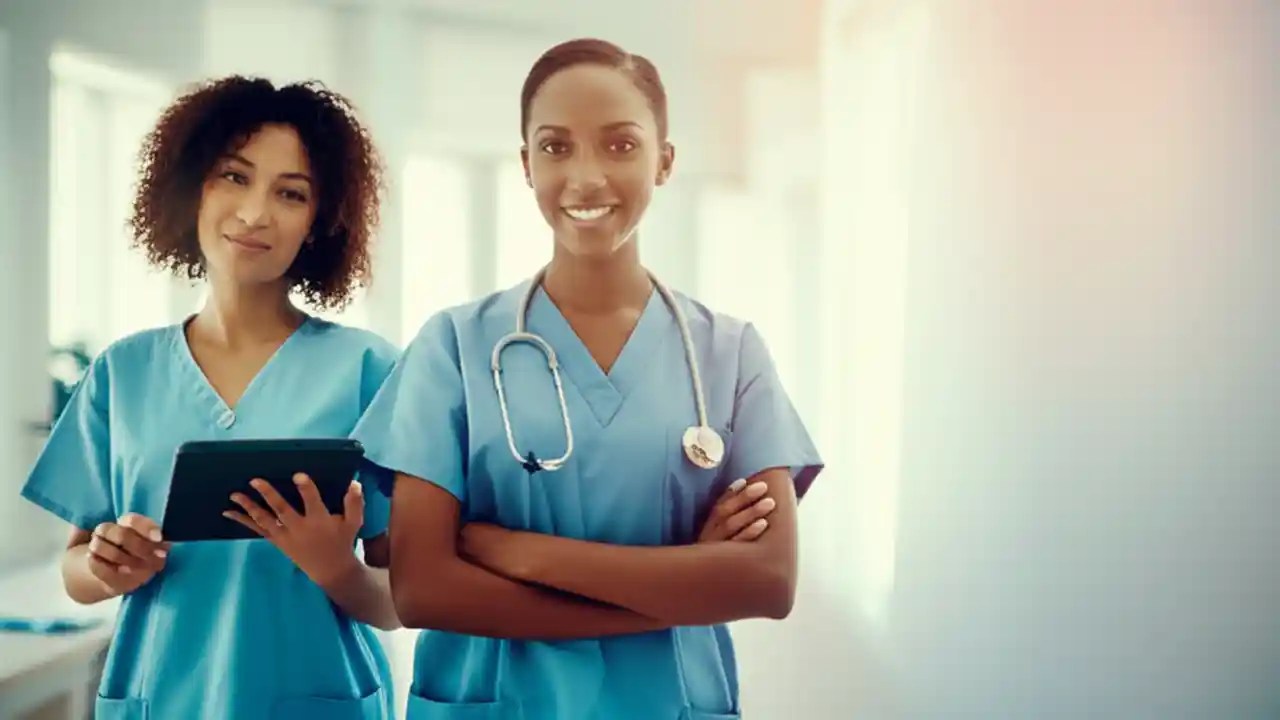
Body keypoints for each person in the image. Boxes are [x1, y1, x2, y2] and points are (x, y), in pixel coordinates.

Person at [354, 38, 822, 719]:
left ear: (665, 161)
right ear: (525, 164)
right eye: (554, 147)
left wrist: (511, 549)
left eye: (621, 146)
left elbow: (768, 581)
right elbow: (423, 589)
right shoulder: (454, 346)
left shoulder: (729, 352)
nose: (586, 176)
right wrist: (677, 588)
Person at [21, 76, 400, 720]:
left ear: (318, 222)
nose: (255, 213)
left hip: (317, 699)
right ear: (191, 186)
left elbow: (403, 600)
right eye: (234, 177)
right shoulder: (124, 371)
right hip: (160, 697)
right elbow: (77, 571)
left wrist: (336, 568)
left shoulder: (369, 370)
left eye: (291, 193)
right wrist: (112, 566)